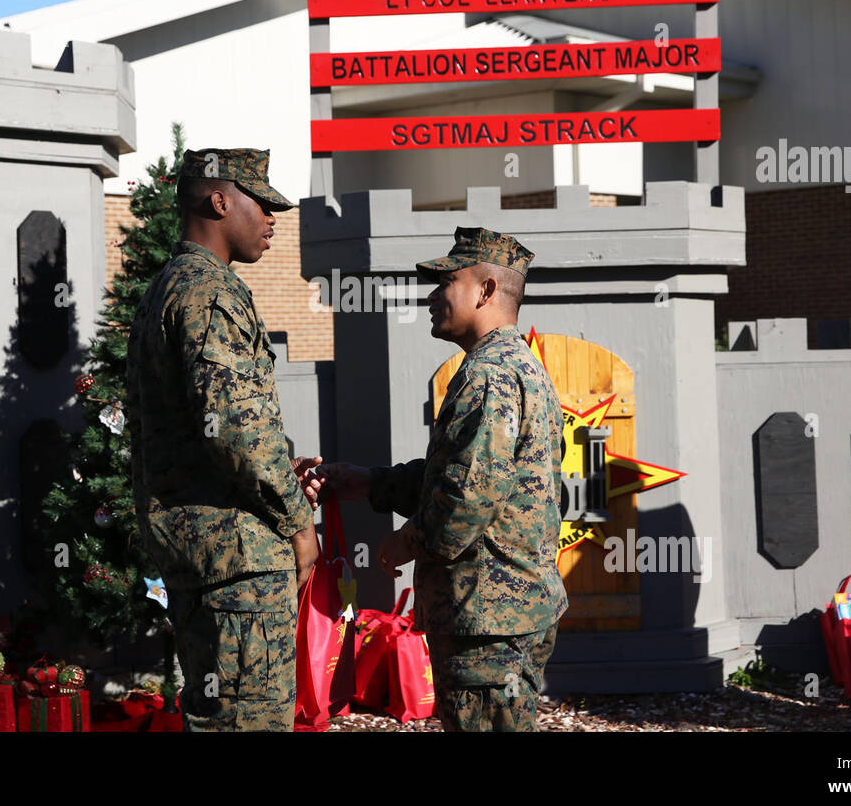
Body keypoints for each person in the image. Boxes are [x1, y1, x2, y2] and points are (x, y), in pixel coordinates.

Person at [320, 226, 568, 731]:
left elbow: (468, 498)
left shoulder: (489, 374)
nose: (431, 297)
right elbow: (460, 473)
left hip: (488, 614)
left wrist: (402, 543)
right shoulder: (511, 365)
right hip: (501, 610)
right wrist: (372, 482)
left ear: (486, 290)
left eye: (445, 283)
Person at [126, 147, 324, 732]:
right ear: (218, 200)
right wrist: (297, 519)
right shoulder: (208, 292)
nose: (272, 219)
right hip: (238, 565)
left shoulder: (170, 286)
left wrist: (283, 467)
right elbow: (237, 430)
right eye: (260, 204)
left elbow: (209, 426)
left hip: (205, 555)